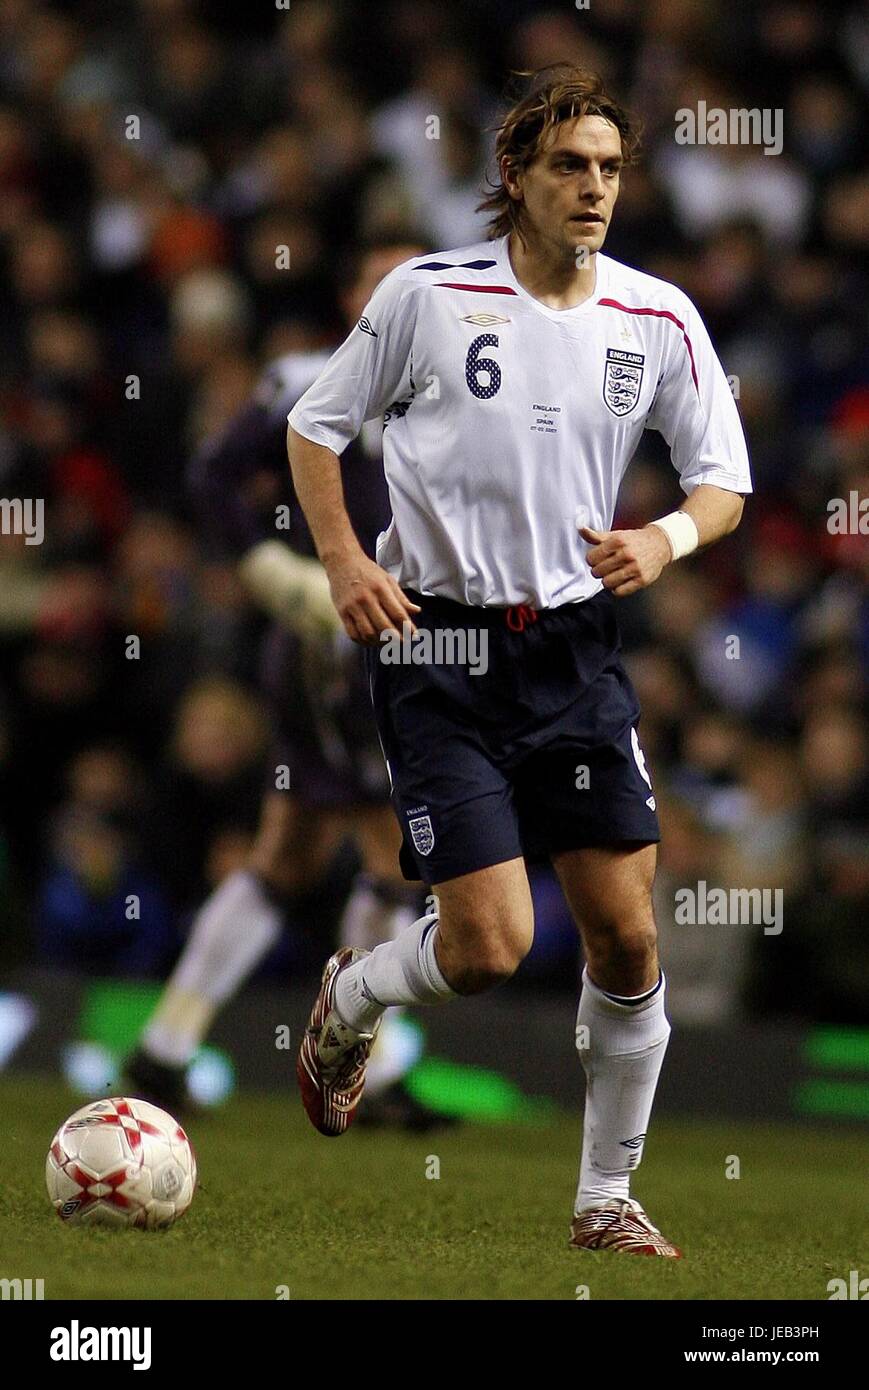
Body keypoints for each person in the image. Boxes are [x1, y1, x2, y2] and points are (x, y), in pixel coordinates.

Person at [287, 66, 751, 1256]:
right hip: (435, 642)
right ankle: (350, 998)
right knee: (487, 949)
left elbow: (725, 482)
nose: (592, 186)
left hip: (572, 650)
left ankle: (604, 1199)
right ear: (514, 177)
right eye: (567, 166)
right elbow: (315, 425)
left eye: (607, 166)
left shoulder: (655, 316)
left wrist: (664, 533)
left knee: (626, 935)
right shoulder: (428, 295)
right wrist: (344, 562)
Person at [126, 237, 450, 1129]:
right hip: (338, 647)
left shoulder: (469, 383)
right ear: (351, 291)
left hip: (428, 642)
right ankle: (359, 1064)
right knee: (397, 844)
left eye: (414, 277)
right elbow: (214, 476)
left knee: (293, 852)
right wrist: (275, 572)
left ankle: (163, 1049)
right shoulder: (308, 376)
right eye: (377, 275)